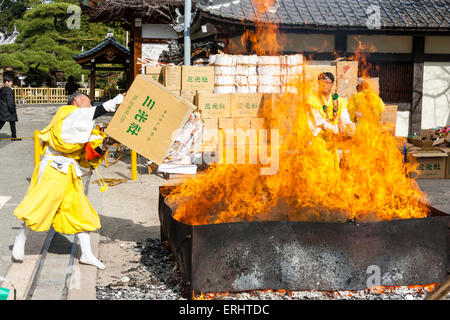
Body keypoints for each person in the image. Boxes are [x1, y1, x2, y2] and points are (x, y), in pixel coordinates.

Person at [12, 91, 124, 269]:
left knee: (79, 211)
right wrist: (114, 102)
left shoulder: (83, 126)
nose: (90, 106)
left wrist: (105, 145)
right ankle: (21, 237)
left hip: (70, 171)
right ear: (77, 100)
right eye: (88, 102)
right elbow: (85, 116)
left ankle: (86, 253)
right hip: (53, 169)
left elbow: (87, 158)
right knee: (41, 206)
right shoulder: (66, 113)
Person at [306, 72, 355, 137]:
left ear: (332, 84)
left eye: (327, 83)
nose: (324, 85)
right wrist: (336, 129)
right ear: (318, 83)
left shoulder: (340, 101)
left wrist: (349, 127)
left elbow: (345, 119)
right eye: (322, 82)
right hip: (318, 136)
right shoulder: (312, 100)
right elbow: (320, 123)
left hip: (336, 136)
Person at [0, 75, 19, 140]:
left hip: (2, 109)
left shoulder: (1, 89)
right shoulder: (9, 90)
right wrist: (13, 110)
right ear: (6, 82)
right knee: (2, 123)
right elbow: (10, 101)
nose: (12, 83)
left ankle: (14, 137)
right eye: (10, 82)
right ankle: (14, 137)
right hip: (8, 110)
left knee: (12, 122)